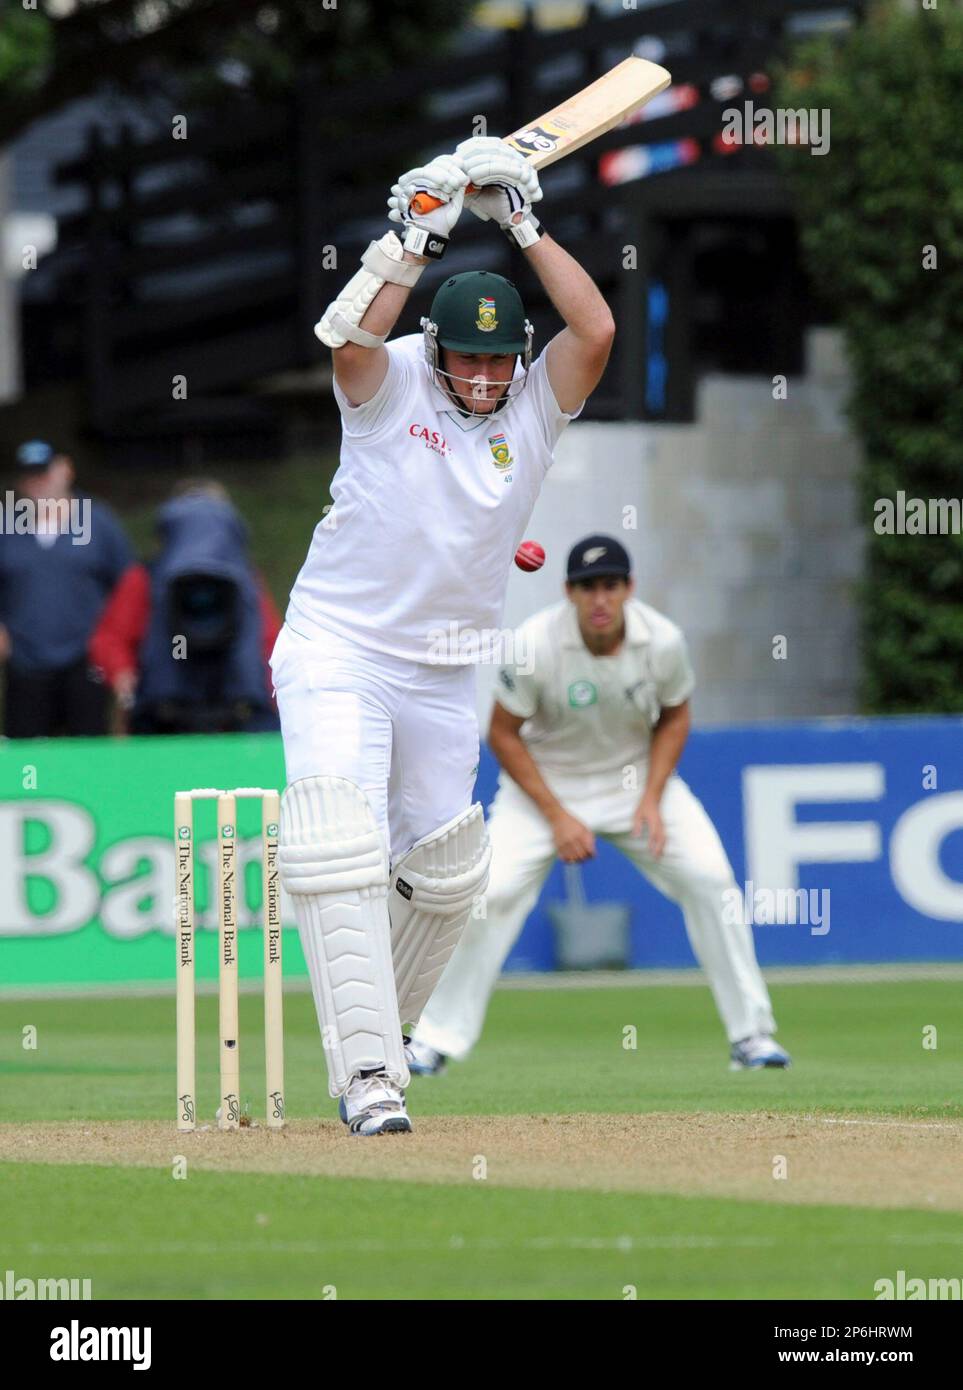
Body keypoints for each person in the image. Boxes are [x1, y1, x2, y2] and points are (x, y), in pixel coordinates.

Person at [270, 140, 615, 1134]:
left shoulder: (536, 406)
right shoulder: (393, 385)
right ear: (439, 348)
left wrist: (523, 223)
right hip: (339, 647)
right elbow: (348, 346)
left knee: (450, 867)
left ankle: (388, 1039)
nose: (481, 375)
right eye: (466, 356)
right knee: (342, 841)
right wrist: (415, 231)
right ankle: (368, 1076)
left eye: (499, 357)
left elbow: (593, 326)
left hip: (448, 668)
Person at [407, 534, 792, 1075]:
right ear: (569, 593)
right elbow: (503, 734)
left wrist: (654, 798)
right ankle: (432, 1040)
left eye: (610, 585)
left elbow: (676, 717)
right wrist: (559, 816)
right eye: (588, 588)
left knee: (713, 883)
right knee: (488, 897)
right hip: (545, 789)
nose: (600, 599)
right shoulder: (534, 643)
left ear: (629, 588)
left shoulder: (663, 641)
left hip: (635, 786)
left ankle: (752, 1036)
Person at [89, 480, 281, 734]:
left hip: (161, 712)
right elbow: (272, 645)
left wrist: (123, 676)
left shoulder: (147, 576)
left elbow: (109, 639)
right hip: (239, 712)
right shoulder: (245, 579)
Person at [0, 439, 132, 738]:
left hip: (87, 662)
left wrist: (119, 649)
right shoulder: (6, 526)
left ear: (64, 470)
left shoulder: (98, 523)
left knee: (88, 753)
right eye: (28, 476)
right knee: (26, 757)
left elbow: (129, 590)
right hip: (25, 662)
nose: (37, 483)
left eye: (43, 473)